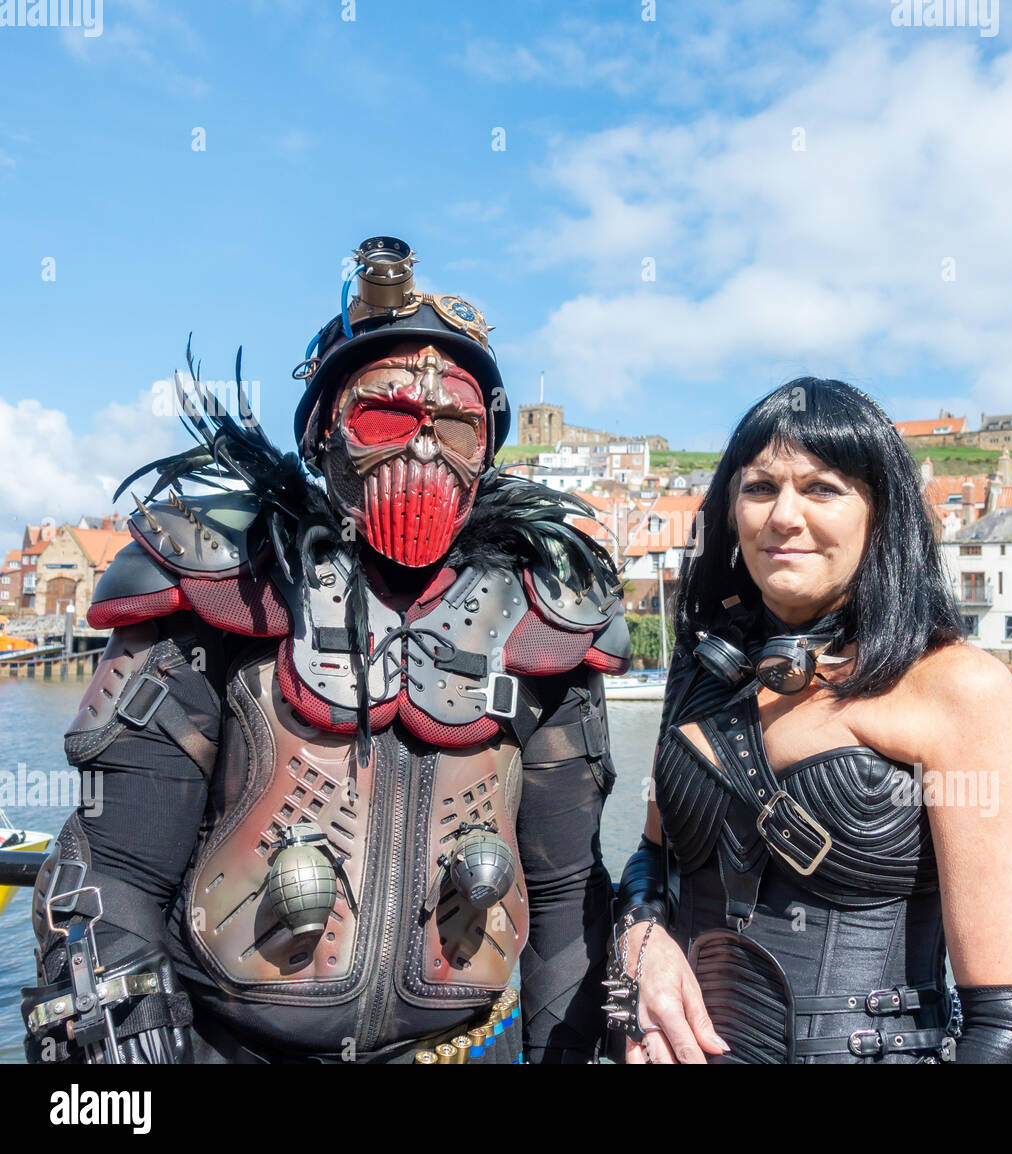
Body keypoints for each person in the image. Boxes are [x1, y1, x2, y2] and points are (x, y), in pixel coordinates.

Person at [22, 237, 629, 1064]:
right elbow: (115, 866)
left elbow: (565, 899)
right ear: (325, 437)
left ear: (486, 449)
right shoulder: (224, 588)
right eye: (387, 417)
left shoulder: (543, 622)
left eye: (454, 425)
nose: (423, 450)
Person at [606, 378, 1012, 1064]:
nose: (784, 516)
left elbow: (1008, 1032)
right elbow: (653, 858)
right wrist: (641, 938)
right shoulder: (702, 668)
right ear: (730, 511)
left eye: (822, 489)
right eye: (760, 488)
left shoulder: (957, 688)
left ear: (881, 513)